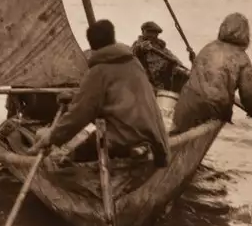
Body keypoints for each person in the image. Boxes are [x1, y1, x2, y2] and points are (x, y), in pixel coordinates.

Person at [28, 19, 170, 167]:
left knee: (69, 160)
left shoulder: (98, 71)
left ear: (91, 45)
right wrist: (75, 97)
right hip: (154, 137)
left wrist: (52, 137)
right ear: (113, 38)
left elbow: (80, 114)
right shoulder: (134, 63)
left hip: (125, 138)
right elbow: (114, 96)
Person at [171, 12, 252, 134]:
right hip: (212, 109)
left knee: (177, 133)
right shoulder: (242, 58)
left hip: (186, 104)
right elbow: (248, 94)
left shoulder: (208, 48)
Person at [131, 21, 189, 92]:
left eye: (154, 33)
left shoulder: (162, 48)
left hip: (162, 83)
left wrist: (185, 68)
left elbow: (175, 60)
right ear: (143, 32)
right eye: (149, 32)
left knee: (182, 74)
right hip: (145, 81)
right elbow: (134, 52)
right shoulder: (138, 45)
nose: (152, 35)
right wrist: (141, 48)